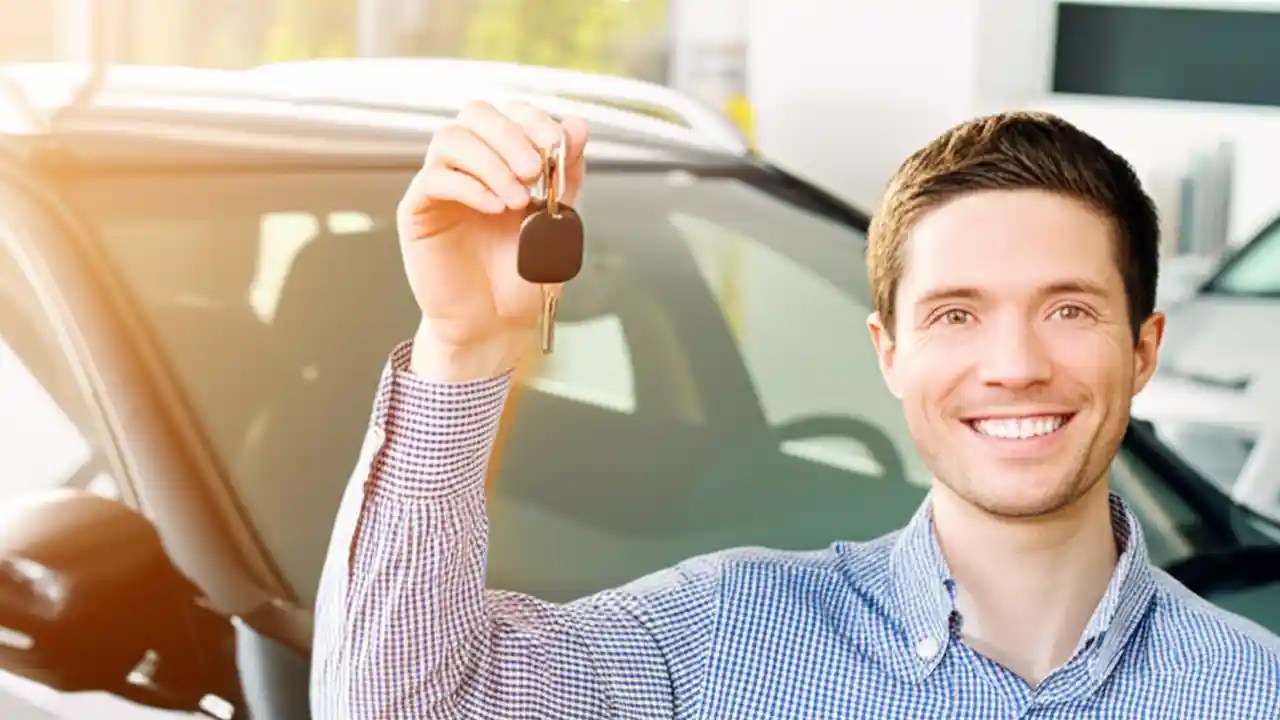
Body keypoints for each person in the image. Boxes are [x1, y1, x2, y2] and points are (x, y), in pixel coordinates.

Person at [310, 100, 1280, 719]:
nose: (1014, 366)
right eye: (956, 314)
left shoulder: (1253, 690)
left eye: (1067, 310)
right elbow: (401, 706)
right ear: (889, 354)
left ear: (1142, 349)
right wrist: (466, 344)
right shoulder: (721, 638)